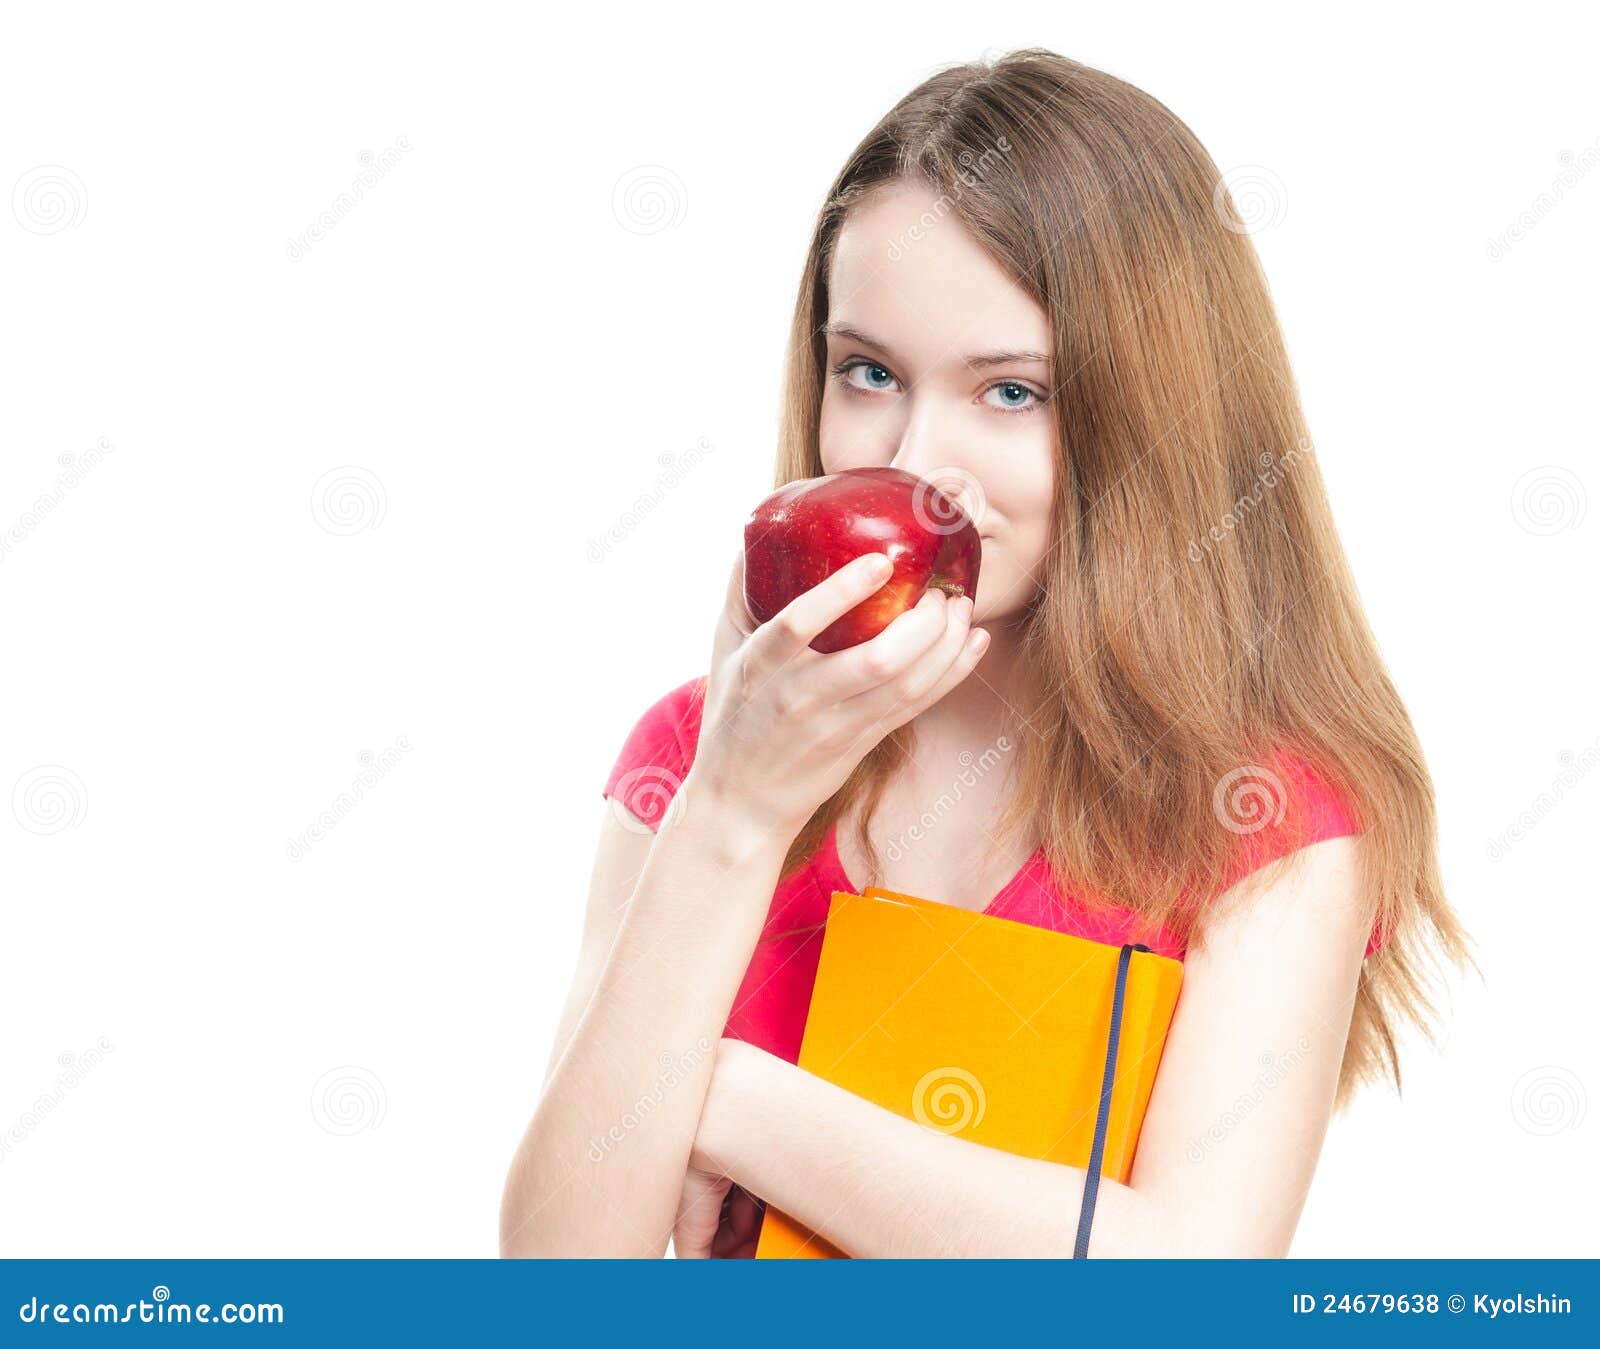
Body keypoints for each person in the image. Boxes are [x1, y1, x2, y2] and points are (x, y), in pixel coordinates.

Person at [499, 47, 1474, 1259]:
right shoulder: (694, 755)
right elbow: (556, 1277)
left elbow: (1182, 1283)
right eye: (868, 373)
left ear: (1152, 415)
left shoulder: (1264, 816)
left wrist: (731, 1095)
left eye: (1010, 392)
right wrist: (732, 812)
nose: (915, 461)